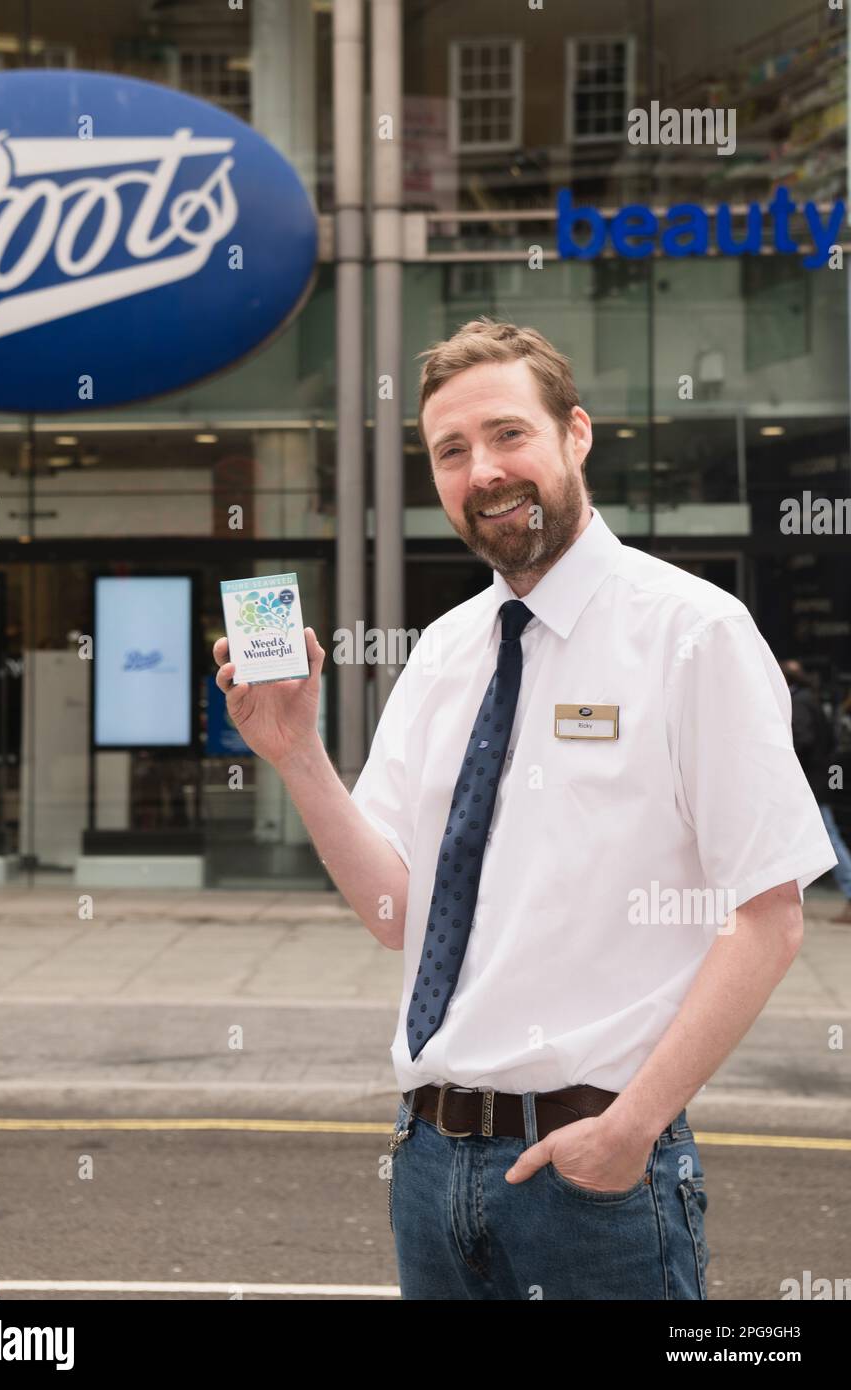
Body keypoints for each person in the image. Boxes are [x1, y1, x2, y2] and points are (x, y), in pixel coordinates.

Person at [214, 317, 837, 1301]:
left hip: (592, 1181)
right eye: (451, 451)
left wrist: (630, 1128)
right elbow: (395, 918)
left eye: (508, 434)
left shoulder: (692, 632)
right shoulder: (443, 653)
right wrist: (295, 758)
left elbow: (768, 913)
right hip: (427, 1166)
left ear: (574, 435)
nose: (483, 470)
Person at [780, 659, 851, 924]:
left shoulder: (798, 703)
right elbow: (830, 741)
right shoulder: (812, 700)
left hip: (811, 783)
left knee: (829, 837)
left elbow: (802, 740)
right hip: (821, 779)